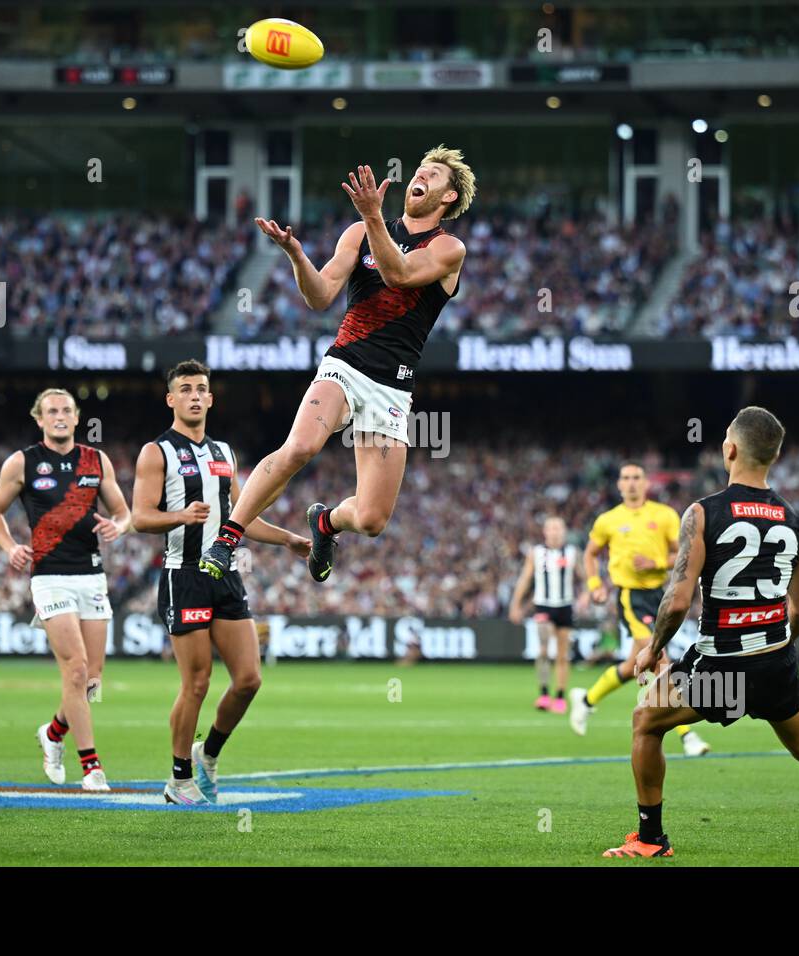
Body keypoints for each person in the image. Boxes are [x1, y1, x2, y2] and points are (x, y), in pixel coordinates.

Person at [603, 407, 799, 860]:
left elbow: (677, 601)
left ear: (729, 449)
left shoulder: (702, 512)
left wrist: (651, 649)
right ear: (773, 456)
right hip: (776, 661)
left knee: (646, 720)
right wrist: (776, 649)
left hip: (721, 666)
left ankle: (651, 839)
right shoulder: (795, 521)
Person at [197, 146, 475, 587]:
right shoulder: (359, 231)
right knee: (302, 446)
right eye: (419, 170)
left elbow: (398, 274)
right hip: (345, 362)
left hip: (392, 386)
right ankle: (227, 537)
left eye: (433, 174)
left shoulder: (447, 248)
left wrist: (372, 218)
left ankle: (326, 523)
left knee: (370, 520)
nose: (419, 176)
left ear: (447, 197)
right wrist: (295, 254)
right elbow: (320, 295)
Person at [131, 360, 311, 805]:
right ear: (171, 399)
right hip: (183, 576)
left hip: (224, 574)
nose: (195, 395)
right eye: (185, 388)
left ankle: (207, 752)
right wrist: (179, 516)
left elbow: (240, 516)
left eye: (202, 389)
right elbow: (139, 517)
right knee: (197, 682)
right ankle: (178, 779)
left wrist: (287, 538)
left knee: (249, 679)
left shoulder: (224, 453)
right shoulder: (156, 452)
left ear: (211, 399)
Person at [0, 388, 131, 791]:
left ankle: (52, 733)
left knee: (92, 681)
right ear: (40, 419)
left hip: (92, 575)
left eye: (67, 409)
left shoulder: (96, 460)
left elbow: (123, 511)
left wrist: (119, 524)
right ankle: (92, 766)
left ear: (77, 417)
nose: (60, 416)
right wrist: (11, 546)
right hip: (49, 576)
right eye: (52, 411)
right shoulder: (23, 462)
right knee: (76, 668)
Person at [568, 463, 710, 757]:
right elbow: (591, 553)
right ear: (619, 485)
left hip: (660, 594)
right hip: (631, 596)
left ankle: (586, 700)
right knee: (659, 659)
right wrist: (594, 584)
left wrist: (656, 563)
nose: (631, 483)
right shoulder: (609, 520)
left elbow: (683, 554)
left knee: (636, 662)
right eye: (626, 478)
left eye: (636, 478)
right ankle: (687, 735)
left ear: (646, 483)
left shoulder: (664, 515)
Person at [509, 516, 577, 714]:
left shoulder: (572, 552)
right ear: (545, 532)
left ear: (564, 531)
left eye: (558, 528)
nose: (555, 532)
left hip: (565, 606)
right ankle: (544, 693)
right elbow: (525, 578)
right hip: (543, 606)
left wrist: (587, 595)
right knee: (544, 650)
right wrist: (516, 604)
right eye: (551, 528)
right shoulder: (536, 553)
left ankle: (560, 697)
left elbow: (585, 575)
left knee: (563, 655)